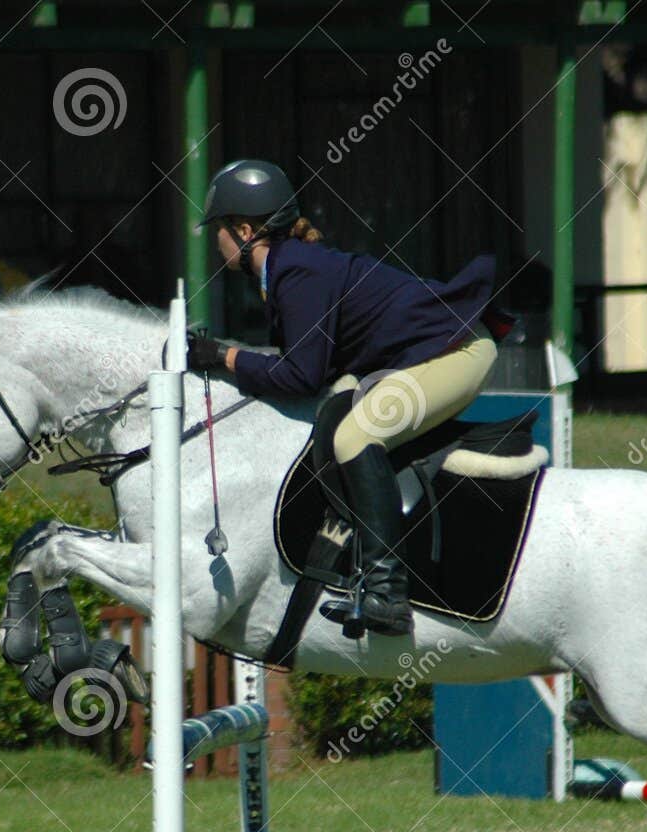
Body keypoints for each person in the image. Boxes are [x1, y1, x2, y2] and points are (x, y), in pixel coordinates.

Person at [185, 159, 497, 637]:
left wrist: (225, 357)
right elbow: (312, 371)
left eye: (219, 230)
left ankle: (387, 593)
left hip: (458, 353)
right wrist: (234, 358)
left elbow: (300, 375)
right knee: (336, 410)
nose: (216, 241)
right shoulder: (287, 268)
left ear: (244, 231)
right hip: (419, 355)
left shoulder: (296, 272)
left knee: (355, 437)